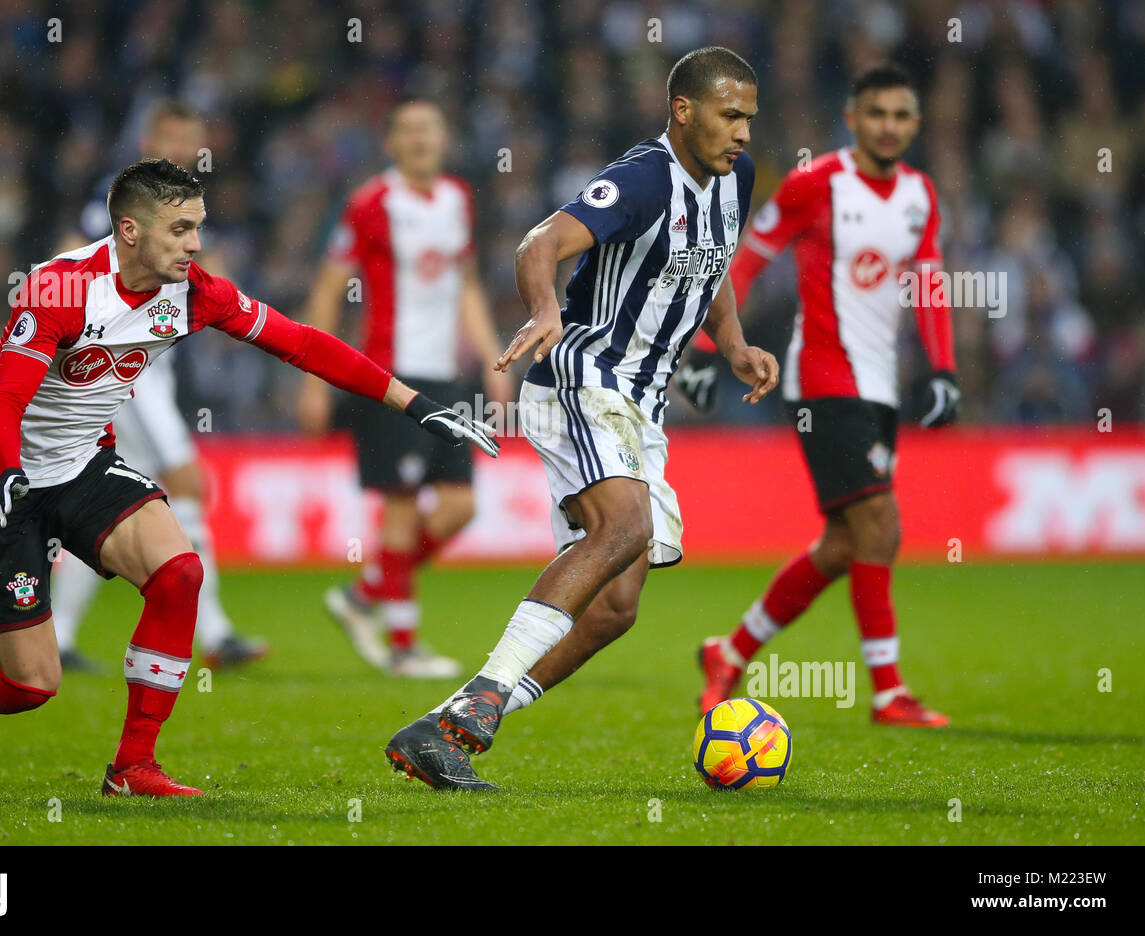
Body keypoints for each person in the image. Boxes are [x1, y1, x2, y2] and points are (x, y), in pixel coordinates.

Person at [0, 158, 496, 798]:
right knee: (30, 684)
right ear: (128, 230)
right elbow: (3, 400)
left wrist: (415, 403)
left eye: (198, 227)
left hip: (83, 468)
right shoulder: (61, 287)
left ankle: (131, 768)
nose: (195, 244)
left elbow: (303, 344)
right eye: (179, 229)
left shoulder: (194, 290)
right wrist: (8, 474)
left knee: (180, 574)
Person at [384, 46, 779, 789]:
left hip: (642, 402)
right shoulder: (641, 178)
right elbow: (542, 243)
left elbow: (713, 262)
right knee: (622, 528)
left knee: (614, 610)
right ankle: (483, 702)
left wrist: (732, 343)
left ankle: (442, 730)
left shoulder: (737, 178)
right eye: (731, 117)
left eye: (750, 119)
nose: (744, 134)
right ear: (684, 111)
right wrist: (544, 309)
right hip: (583, 374)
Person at [681, 63, 957, 727]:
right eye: (876, 114)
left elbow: (930, 284)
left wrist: (943, 370)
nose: (888, 126)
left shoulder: (921, 193)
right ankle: (889, 692)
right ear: (852, 119)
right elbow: (745, 259)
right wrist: (703, 347)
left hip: (881, 388)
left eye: (900, 116)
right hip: (822, 380)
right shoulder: (816, 183)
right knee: (881, 524)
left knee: (843, 544)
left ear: (914, 125)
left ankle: (730, 650)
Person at [51, 99, 266, 673]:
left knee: (110, 503)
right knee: (187, 485)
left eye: (192, 140)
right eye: (172, 138)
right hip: (125, 371)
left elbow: (201, 273)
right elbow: (74, 259)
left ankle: (61, 634)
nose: (183, 149)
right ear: (149, 136)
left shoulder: (182, 202)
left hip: (153, 370)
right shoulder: (121, 197)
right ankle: (216, 636)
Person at [298, 99, 509, 678]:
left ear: (444, 139)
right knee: (401, 504)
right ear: (390, 142)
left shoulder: (457, 198)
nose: (419, 139)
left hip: (446, 374)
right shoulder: (371, 203)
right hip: (387, 376)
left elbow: (466, 282)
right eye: (407, 130)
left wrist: (492, 355)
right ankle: (402, 643)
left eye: (429, 129)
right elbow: (329, 286)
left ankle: (366, 593)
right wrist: (314, 377)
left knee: (461, 507)